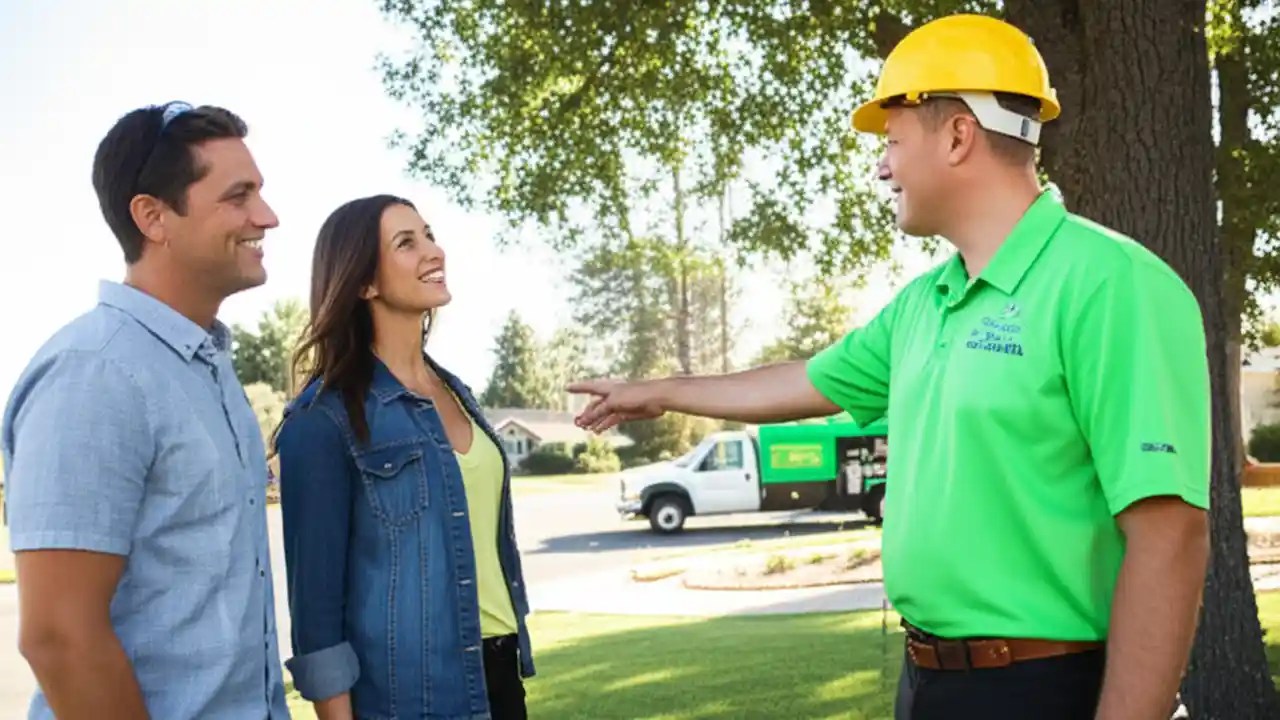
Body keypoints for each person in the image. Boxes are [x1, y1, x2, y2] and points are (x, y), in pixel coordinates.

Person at [569, 13, 1210, 720]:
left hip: (1046, 687)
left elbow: (1168, 531)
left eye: (893, 142)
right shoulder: (924, 304)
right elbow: (802, 381)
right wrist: (658, 392)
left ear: (959, 135)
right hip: (930, 684)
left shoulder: (1111, 284)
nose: (880, 167)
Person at [1, 102, 288, 719]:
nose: (268, 216)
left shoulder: (207, 368)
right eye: (239, 196)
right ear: (153, 217)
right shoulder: (96, 372)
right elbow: (58, 637)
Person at [275, 194, 535, 720]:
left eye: (429, 235)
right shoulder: (322, 420)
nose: (433, 251)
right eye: (406, 243)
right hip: (409, 700)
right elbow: (317, 616)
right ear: (364, 282)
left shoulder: (458, 392)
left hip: (500, 678)